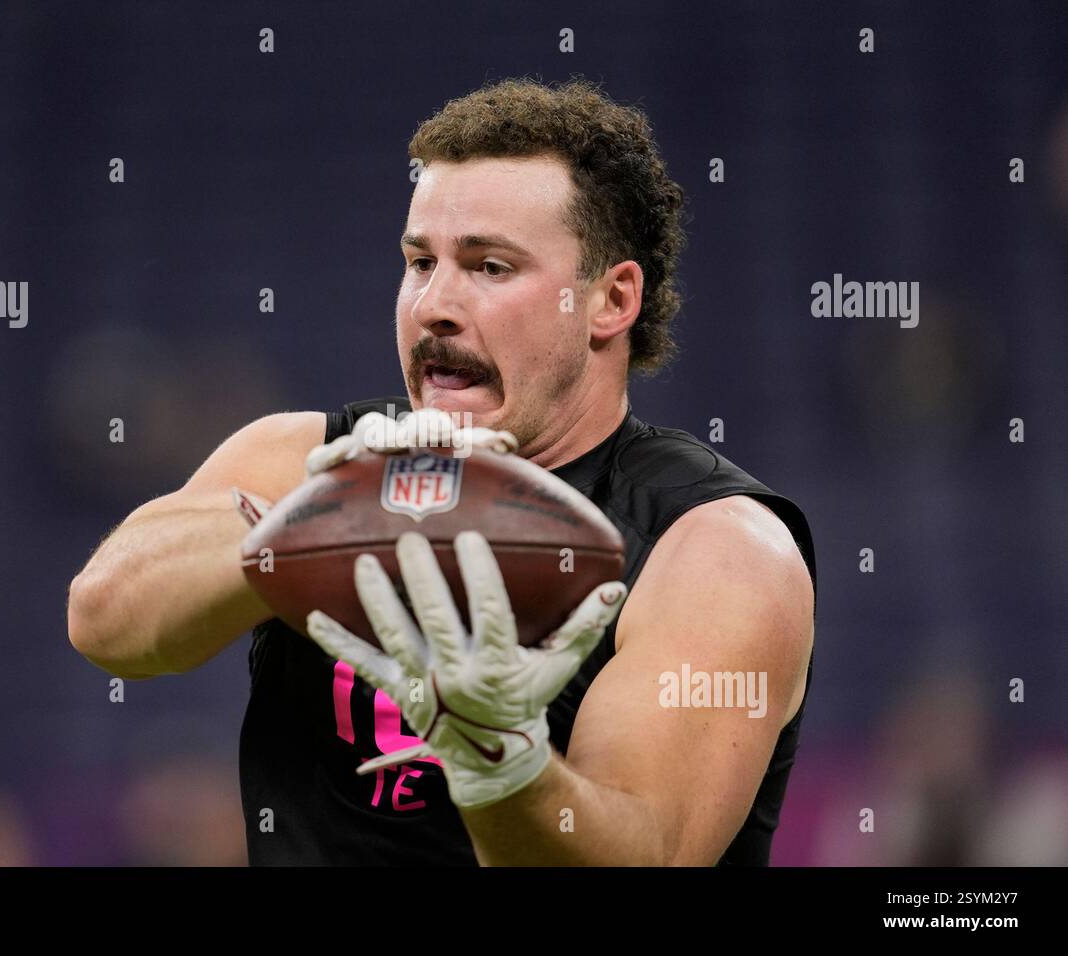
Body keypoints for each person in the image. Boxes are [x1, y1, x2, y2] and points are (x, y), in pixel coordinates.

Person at [67, 77, 816, 866]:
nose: (433, 305)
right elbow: (107, 621)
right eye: (420, 261)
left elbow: (644, 855)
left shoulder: (716, 550)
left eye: (491, 267)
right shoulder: (314, 459)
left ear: (610, 299)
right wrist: (332, 519)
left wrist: (502, 765)